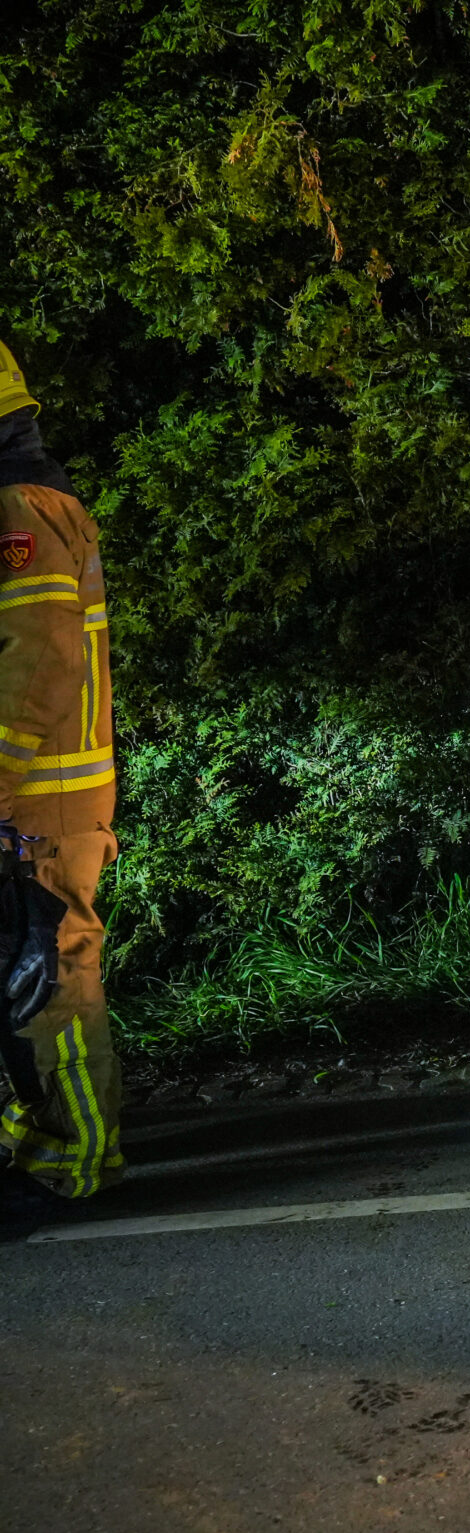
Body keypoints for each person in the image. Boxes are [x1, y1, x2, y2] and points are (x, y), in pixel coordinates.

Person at [0, 337, 119, 1216]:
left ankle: (71, 1161)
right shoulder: (35, 498)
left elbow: (40, 661)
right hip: (42, 792)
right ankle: (39, 1134)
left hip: (40, 797)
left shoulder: (19, 509)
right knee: (29, 970)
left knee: (55, 977)